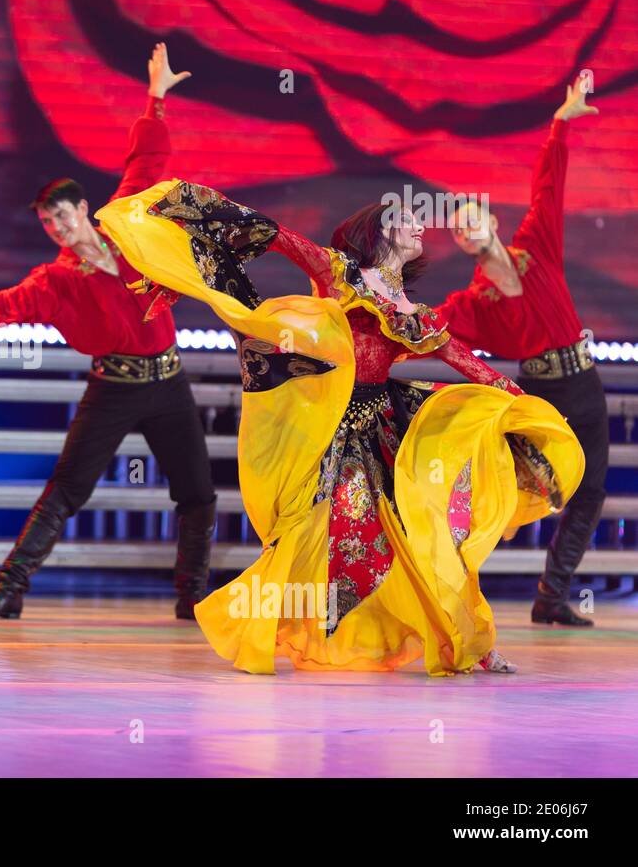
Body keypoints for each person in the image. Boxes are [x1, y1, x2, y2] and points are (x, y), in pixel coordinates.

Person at [96, 178, 585, 676]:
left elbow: (464, 360)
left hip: (384, 430)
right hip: (327, 424)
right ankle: (263, 625)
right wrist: (185, 229)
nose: (419, 226)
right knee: (309, 532)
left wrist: (521, 400)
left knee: (425, 536)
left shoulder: (412, 313)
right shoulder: (338, 272)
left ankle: (470, 644)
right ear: (380, 231)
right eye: (407, 219)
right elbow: (274, 235)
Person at [0, 43, 216, 622]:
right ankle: (7, 592)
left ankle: (193, 598)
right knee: (67, 489)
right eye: (48, 221)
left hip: (170, 384)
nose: (57, 226)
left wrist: (155, 99)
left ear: (84, 209)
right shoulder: (57, 279)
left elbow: (145, 163)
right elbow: (3, 304)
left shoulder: (125, 223)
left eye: (63, 215)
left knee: (198, 493)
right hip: (114, 388)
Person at [436, 78, 603, 627]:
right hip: (540, 398)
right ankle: (452, 582)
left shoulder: (537, 243)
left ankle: (551, 597)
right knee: (510, 492)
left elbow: (548, 187)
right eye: (459, 228)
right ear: (461, 243)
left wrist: (561, 122)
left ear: (492, 221)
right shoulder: (474, 302)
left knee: (590, 490)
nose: (467, 228)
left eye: (472, 218)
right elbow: (426, 329)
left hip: (583, 384)